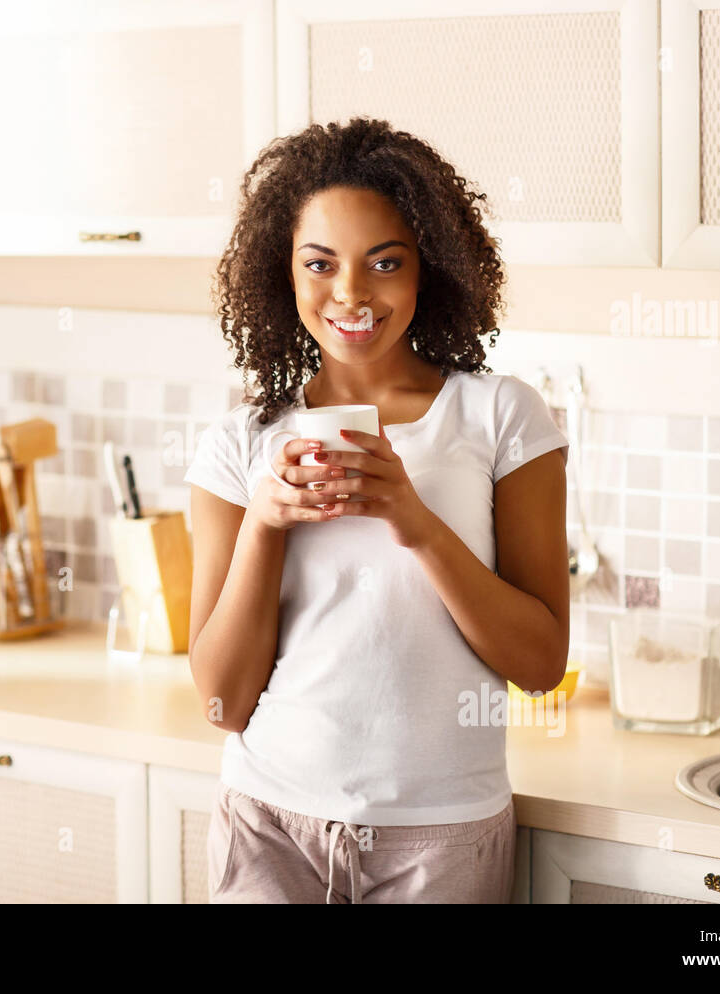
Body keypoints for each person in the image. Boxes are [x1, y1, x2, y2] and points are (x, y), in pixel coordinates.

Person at [183, 117, 570, 904]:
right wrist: (264, 523)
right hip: (269, 826)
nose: (351, 295)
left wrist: (417, 522)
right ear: (281, 273)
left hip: (441, 836)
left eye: (384, 262)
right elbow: (222, 700)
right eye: (319, 264)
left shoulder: (502, 417)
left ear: (429, 270)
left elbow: (539, 665)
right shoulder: (239, 445)